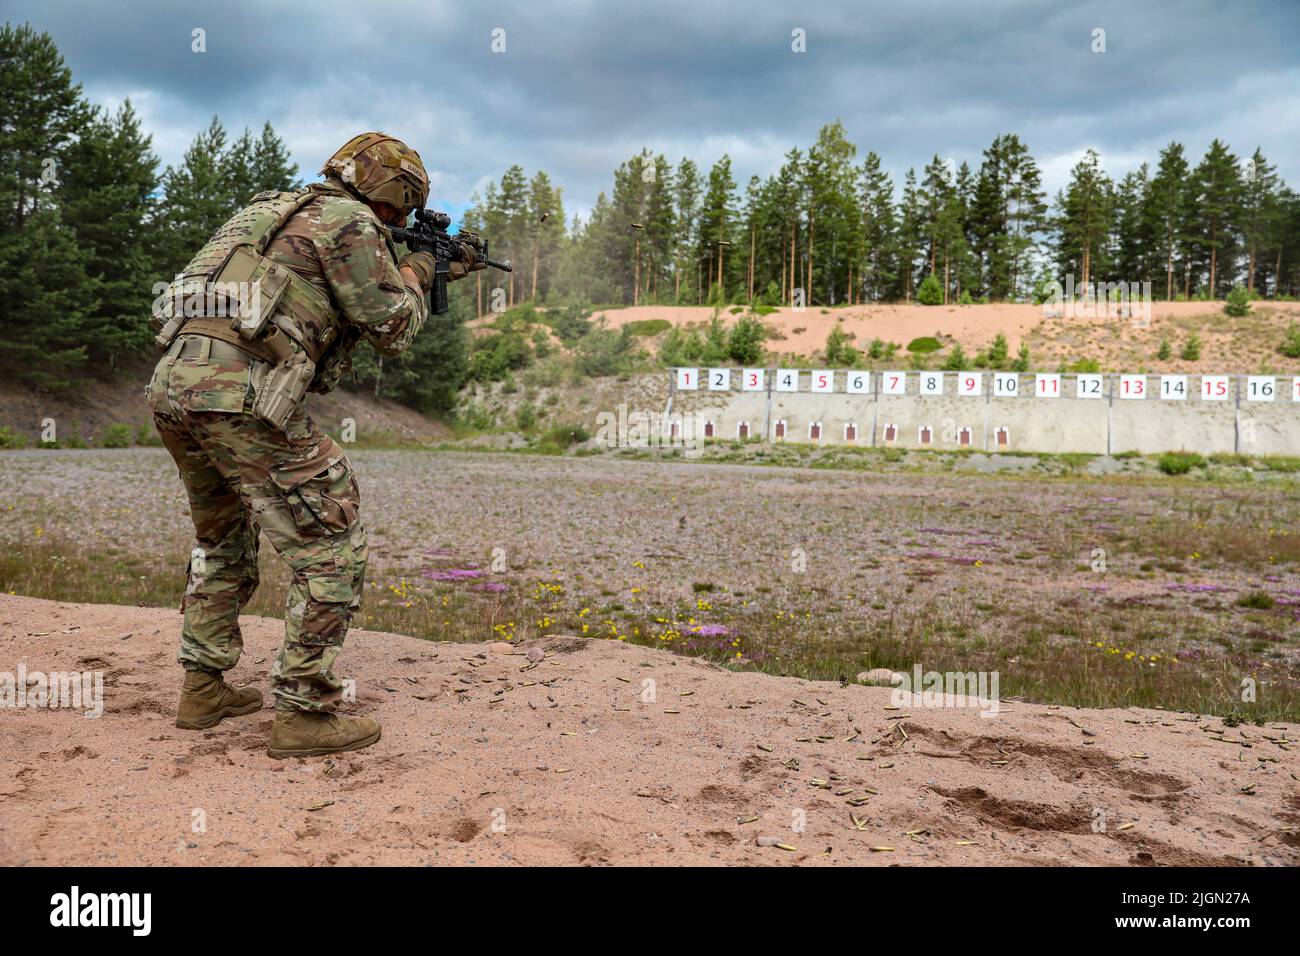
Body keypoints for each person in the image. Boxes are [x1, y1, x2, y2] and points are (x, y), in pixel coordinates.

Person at [147, 132, 483, 757]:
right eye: (404, 208)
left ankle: (203, 688)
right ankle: (303, 710)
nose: (403, 220)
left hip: (174, 384)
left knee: (222, 536)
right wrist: (423, 269)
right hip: (240, 392)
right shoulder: (350, 223)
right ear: (394, 194)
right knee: (332, 537)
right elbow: (392, 328)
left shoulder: (267, 207)